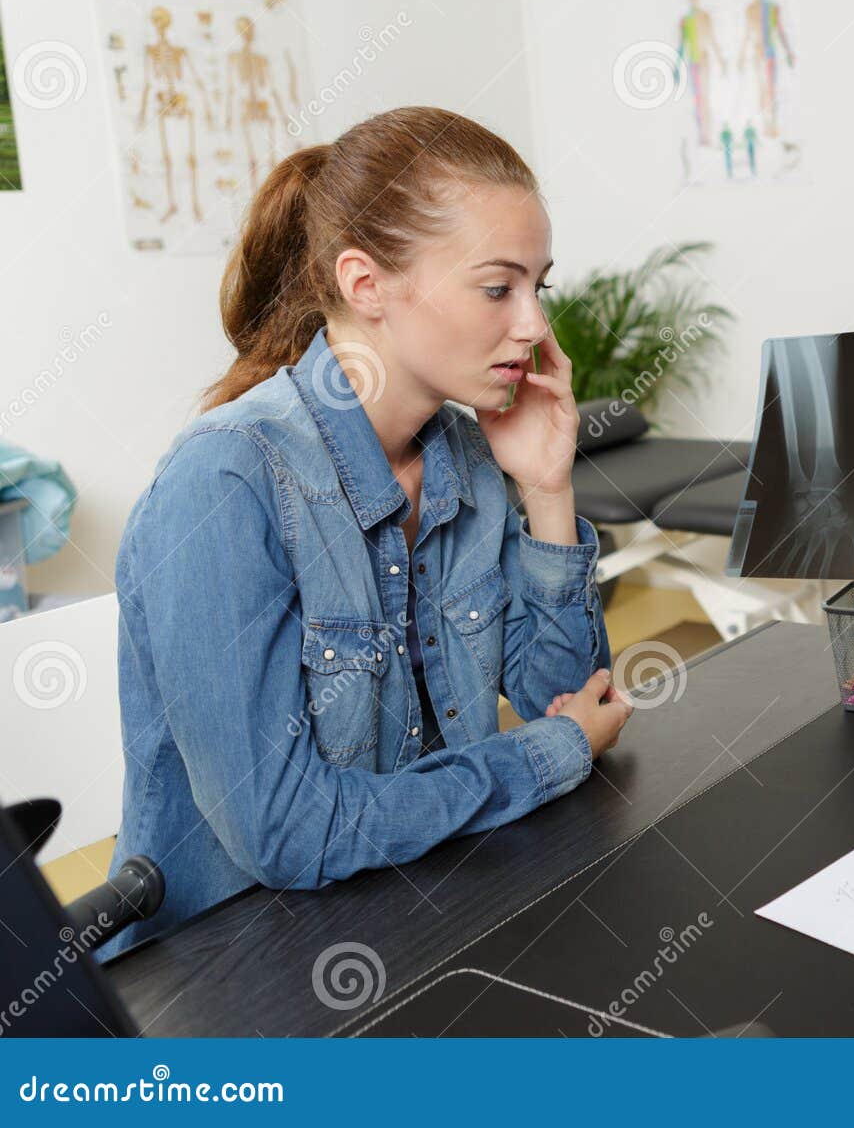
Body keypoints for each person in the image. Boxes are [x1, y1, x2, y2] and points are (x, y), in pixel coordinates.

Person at [102, 107, 632, 956]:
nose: (533, 325)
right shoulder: (226, 481)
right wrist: (543, 756)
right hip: (231, 971)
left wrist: (547, 489)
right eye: (499, 288)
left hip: (422, 909)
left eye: (541, 287)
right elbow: (289, 832)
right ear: (364, 284)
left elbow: (566, 701)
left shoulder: (468, 455)